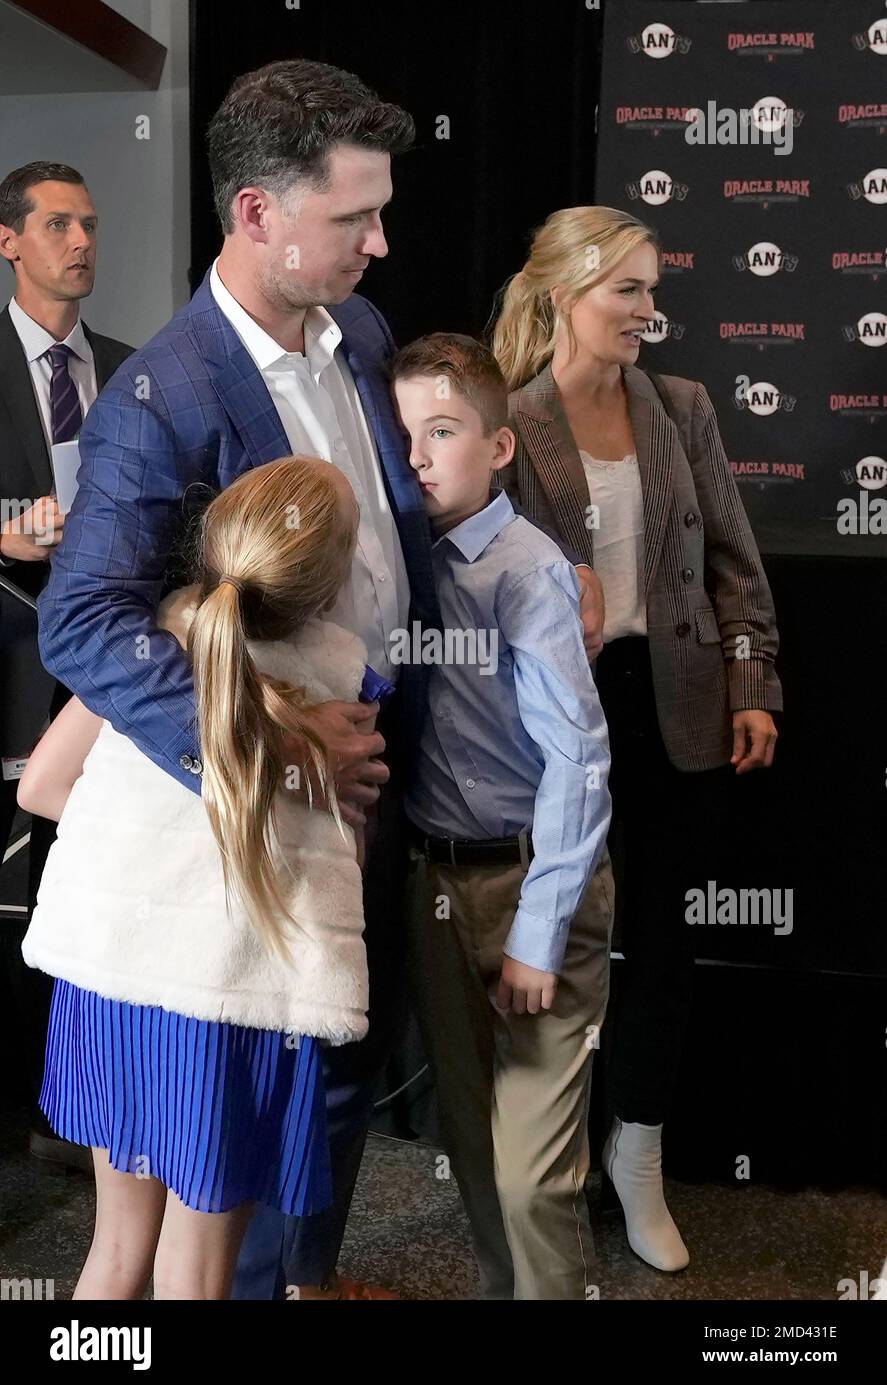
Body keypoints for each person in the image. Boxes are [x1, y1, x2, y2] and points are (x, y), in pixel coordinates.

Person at [35, 60, 606, 1302]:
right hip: (232, 855)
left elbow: (403, 532)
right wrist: (282, 745)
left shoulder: (362, 335)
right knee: (204, 1202)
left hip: (369, 788)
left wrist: (536, 576)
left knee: (326, 1102)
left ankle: (297, 1282)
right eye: (353, 216)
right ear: (255, 215)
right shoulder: (161, 396)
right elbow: (80, 625)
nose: (379, 239)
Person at [19, 455, 388, 1299]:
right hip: (232, 1008)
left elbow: (41, 787)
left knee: (113, 1258)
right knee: (198, 1274)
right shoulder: (343, 697)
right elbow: (337, 873)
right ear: (330, 584)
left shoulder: (147, 652)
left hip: (112, 983)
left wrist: (143, 841)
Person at [491, 206, 782, 1272]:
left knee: (662, 943)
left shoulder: (681, 406)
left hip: (678, 712)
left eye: (651, 291)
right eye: (628, 291)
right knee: (556, 937)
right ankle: (545, 1169)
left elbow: (734, 565)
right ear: (565, 291)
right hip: (551, 718)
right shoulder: (506, 417)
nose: (648, 312)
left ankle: (639, 1155)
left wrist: (752, 680)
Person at [391, 334, 614, 1300]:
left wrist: (535, 934)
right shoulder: (393, 560)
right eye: (401, 435)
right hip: (436, 883)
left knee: (531, 1181)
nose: (418, 457)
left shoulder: (528, 572)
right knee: (473, 1150)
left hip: (537, 887)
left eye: (442, 432)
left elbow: (577, 760)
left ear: (499, 447)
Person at [0, 161, 133, 1175]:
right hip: (6, 675)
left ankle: (73, 1109)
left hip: (108, 687)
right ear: (9, 241)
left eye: (87, 224)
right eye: (56, 224)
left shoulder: (130, 372)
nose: (80, 241)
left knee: (85, 897)